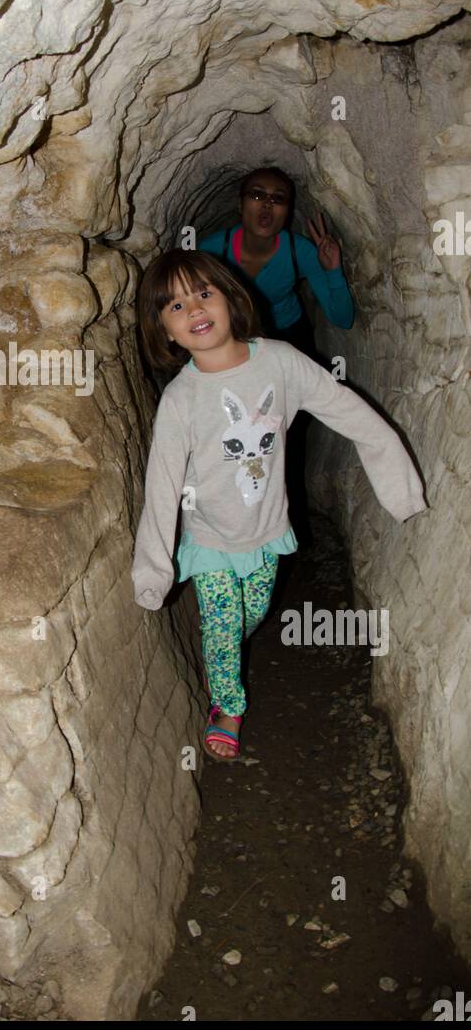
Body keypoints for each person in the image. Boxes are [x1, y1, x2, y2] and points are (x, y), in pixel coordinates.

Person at [131, 248, 427, 763]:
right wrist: (154, 570)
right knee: (223, 623)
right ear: (165, 331)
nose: (195, 310)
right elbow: (161, 485)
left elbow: (350, 413)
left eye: (204, 294)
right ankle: (228, 706)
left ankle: (224, 650)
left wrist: (400, 491)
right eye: (175, 306)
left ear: (230, 297)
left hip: (267, 534)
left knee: (251, 616)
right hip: (210, 539)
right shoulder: (180, 400)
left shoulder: (281, 363)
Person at [199, 167, 355, 546]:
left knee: (284, 437)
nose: (266, 206)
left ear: (288, 210)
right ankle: (232, 520)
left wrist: (331, 270)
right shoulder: (212, 252)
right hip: (237, 344)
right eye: (257, 195)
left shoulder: (299, 251)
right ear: (240, 203)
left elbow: (342, 318)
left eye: (278, 198)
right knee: (233, 432)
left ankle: (285, 525)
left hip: (288, 340)